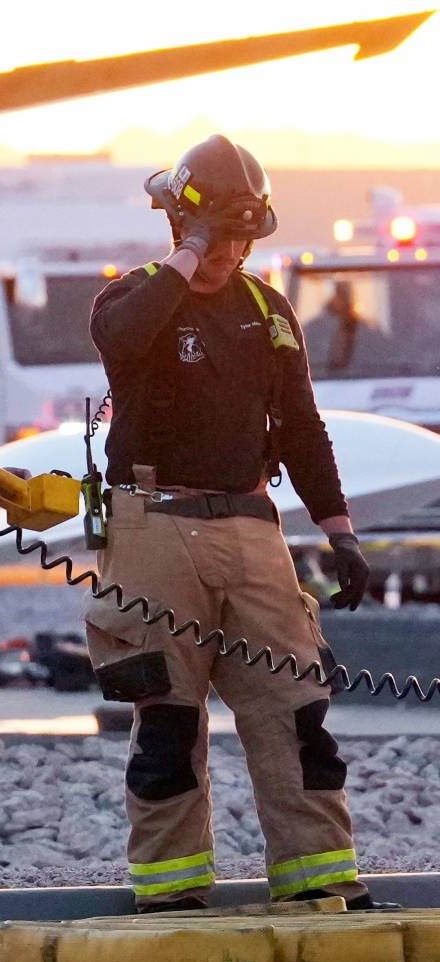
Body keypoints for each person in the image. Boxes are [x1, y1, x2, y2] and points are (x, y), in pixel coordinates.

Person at [86, 134, 384, 913]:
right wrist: (188, 254)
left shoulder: (268, 310)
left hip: (252, 528)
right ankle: (171, 894)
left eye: (243, 237)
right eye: (220, 235)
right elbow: (122, 342)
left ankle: (319, 882)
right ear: (184, 228)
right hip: (154, 526)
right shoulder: (134, 297)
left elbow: (304, 428)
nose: (232, 251)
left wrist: (339, 530)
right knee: (168, 723)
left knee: (296, 710)